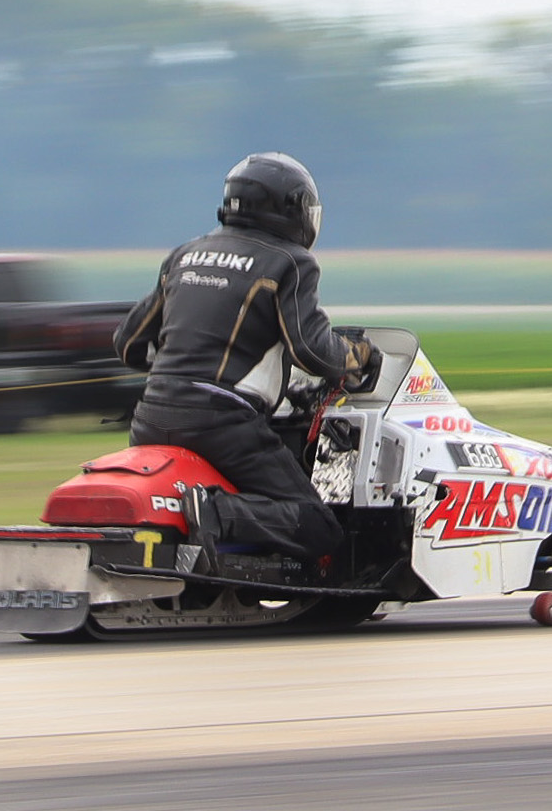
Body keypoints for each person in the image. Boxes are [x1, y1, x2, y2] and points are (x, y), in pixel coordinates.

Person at [113, 152, 374, 569]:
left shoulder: (186, 254)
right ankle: (217, 513)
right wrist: (359, 355)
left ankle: (202, 529)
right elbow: (311, 350)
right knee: (317, 526)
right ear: (289, 209)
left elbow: (127, 343)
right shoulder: (290, 262)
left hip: (150, 417)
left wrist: (178, 373)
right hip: (222, 425)